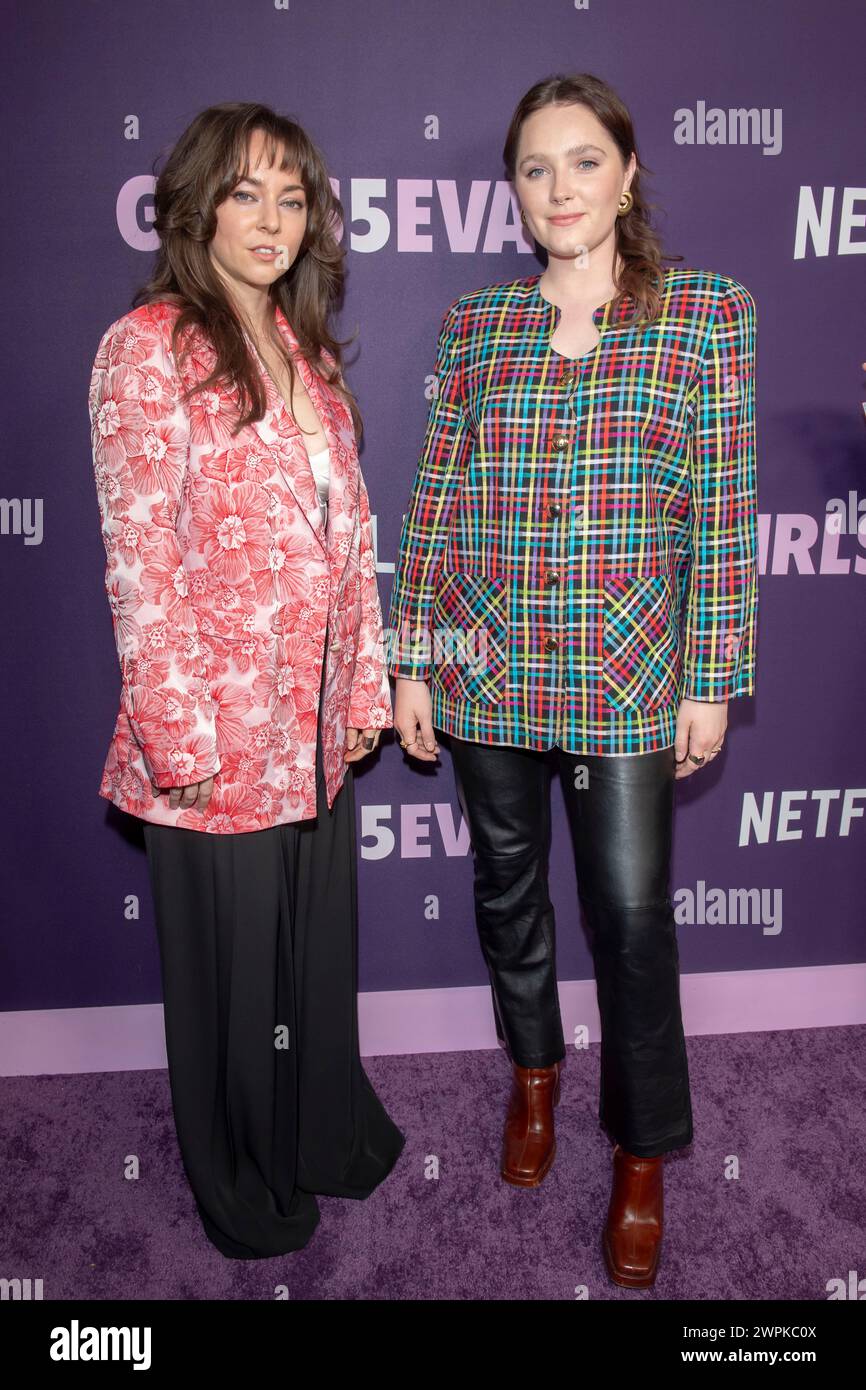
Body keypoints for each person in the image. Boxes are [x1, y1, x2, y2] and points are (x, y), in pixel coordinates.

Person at [386, 72, 758, 1288]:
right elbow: (434, 499)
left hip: (630, 677)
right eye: (537, 168)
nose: (560, 188)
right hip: (487, 667)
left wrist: (711, 678)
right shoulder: (474, 327)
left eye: (583, 161)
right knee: (507, 892)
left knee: (634, 922)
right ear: (513, 189)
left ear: (627, 173)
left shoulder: (707, 313)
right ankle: (533, 1076)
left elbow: (721, 512)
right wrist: (413, 660)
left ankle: (640, 1155)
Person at [88, 103, 404, 1259]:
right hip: (213, 743)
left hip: (313, 733)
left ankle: (320, 1132)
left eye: (292, 196)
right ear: (196, 204)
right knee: (231, 989)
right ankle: (241, 1183)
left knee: (312, 962)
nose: (272, 218)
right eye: (246, 191)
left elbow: (346, 535)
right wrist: (180, 735)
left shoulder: (308, 349)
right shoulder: (147, 348)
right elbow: (140, 559)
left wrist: (362, 688)